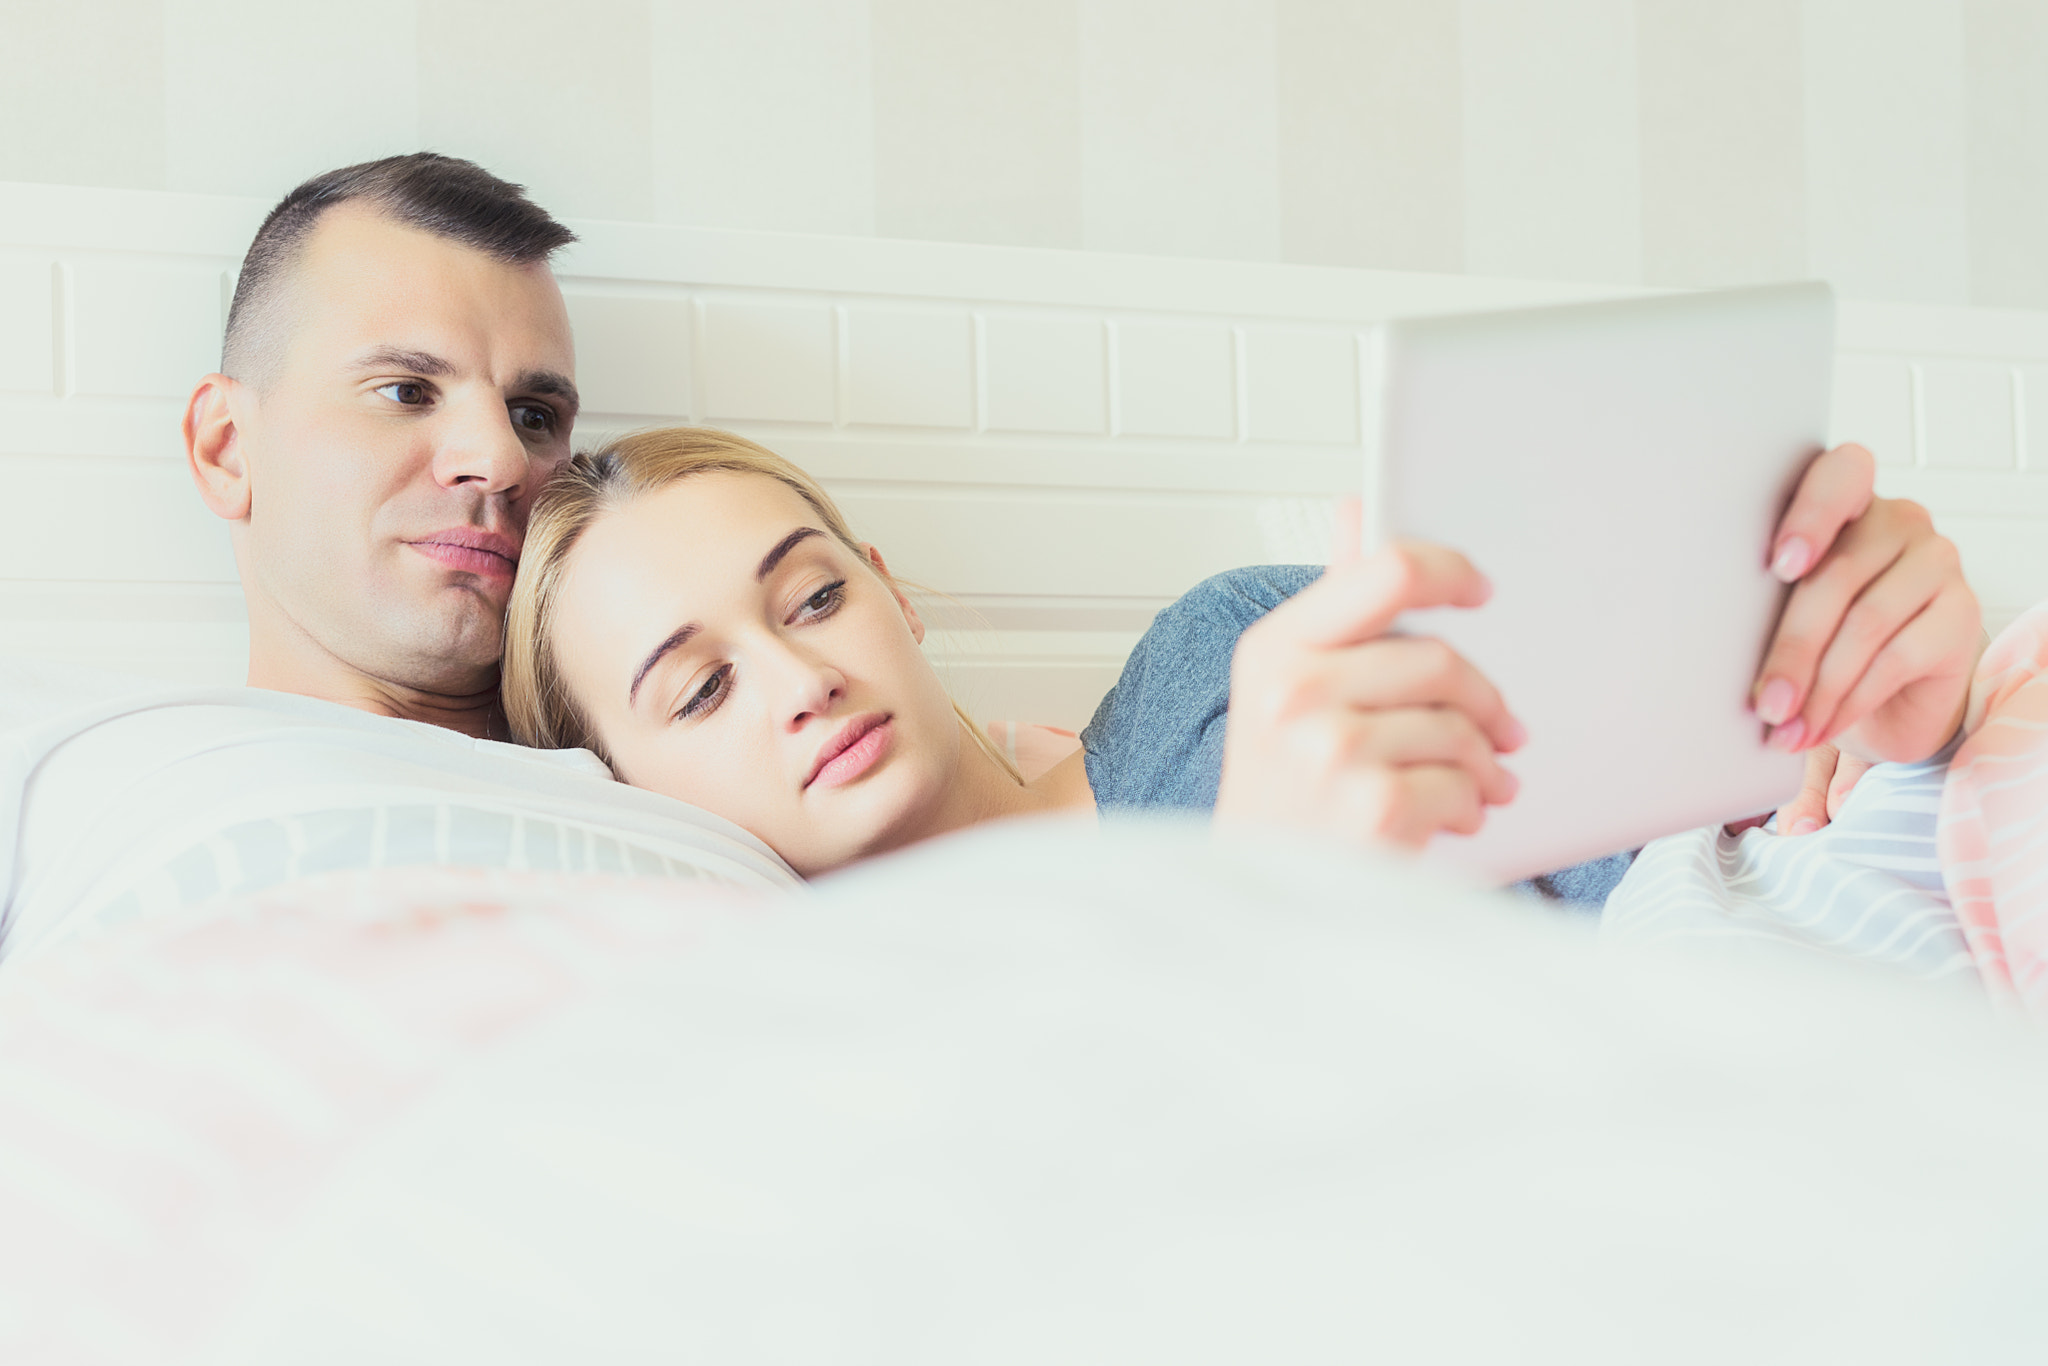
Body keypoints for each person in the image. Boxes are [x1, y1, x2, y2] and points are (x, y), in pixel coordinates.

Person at [499, 426, 1981, 889]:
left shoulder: (1230, 652)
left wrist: (1865, 715)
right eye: (698, 688)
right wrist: (1263, 897)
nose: (797, 676)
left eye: (811, 598)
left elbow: (1691, 826)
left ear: (893, 593)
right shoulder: (859, 1019)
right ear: (625, 788)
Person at [1, 155, 803, 962]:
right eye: (406, 392)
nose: (499, 459)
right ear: (227, 450)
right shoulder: (66, 758)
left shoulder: (726, 764)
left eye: (533, 414)